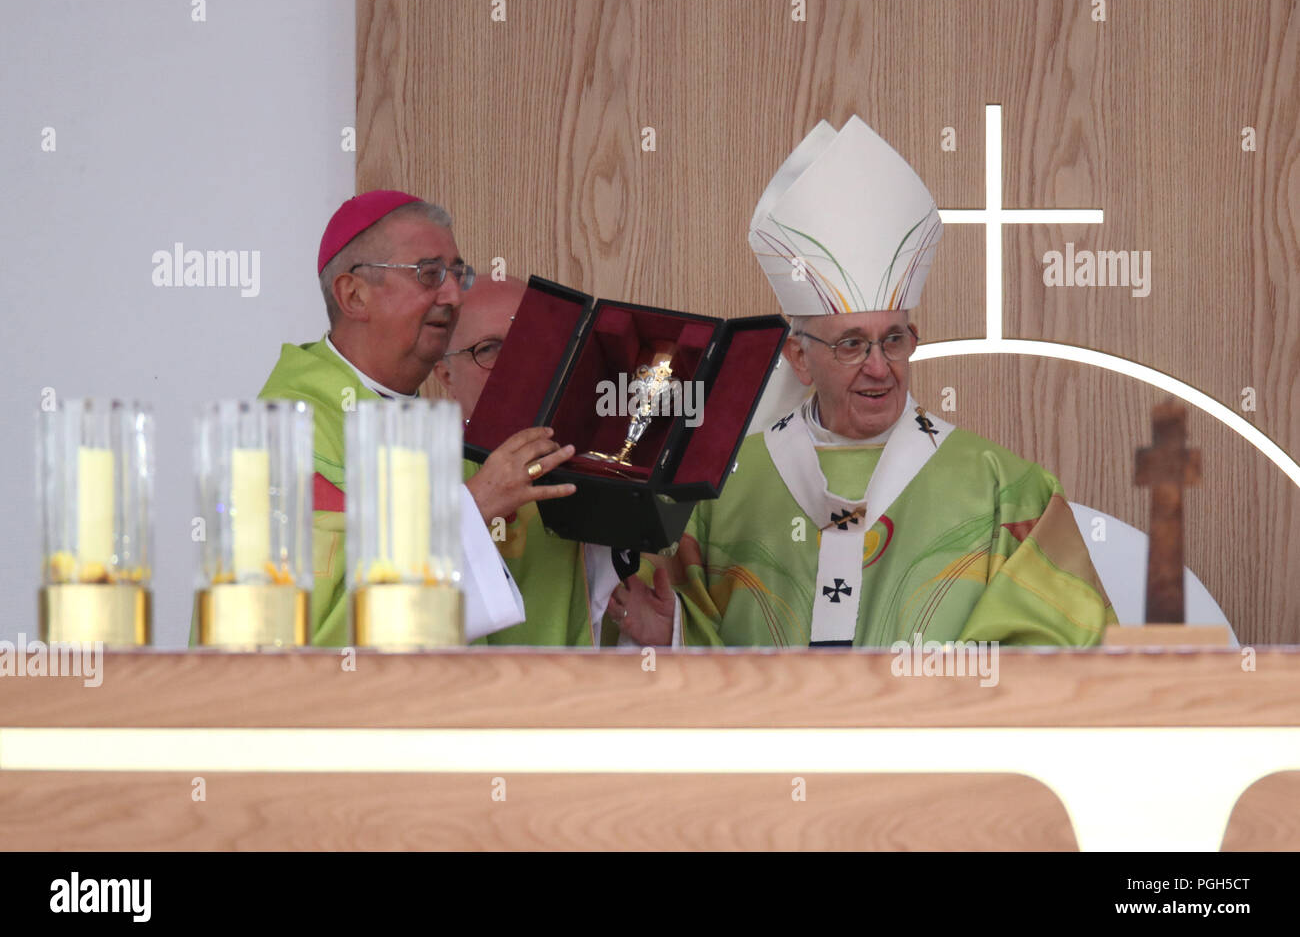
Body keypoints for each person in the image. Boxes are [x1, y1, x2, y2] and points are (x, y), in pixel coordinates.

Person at [608, 117, 1117, 647]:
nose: (879, 367)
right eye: (851, 344)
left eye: (893, 339)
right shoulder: (720, 490)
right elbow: (675, 640)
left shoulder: (1007, 493)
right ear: (799, 358)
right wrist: (671, 635)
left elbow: (1071, 652)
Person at [257, 190, 577, 645]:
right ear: (354, 295)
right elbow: (283, 640)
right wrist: (472, 508)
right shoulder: (286, 435)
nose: (453, 295)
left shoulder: (455, 441)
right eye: (429, 275)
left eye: (457, 275)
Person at [431, 275, 620, 646]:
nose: (517, 365)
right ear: (445, 375)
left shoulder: (599, 454)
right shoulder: (417, 474)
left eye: (529, 344)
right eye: (489, 349)